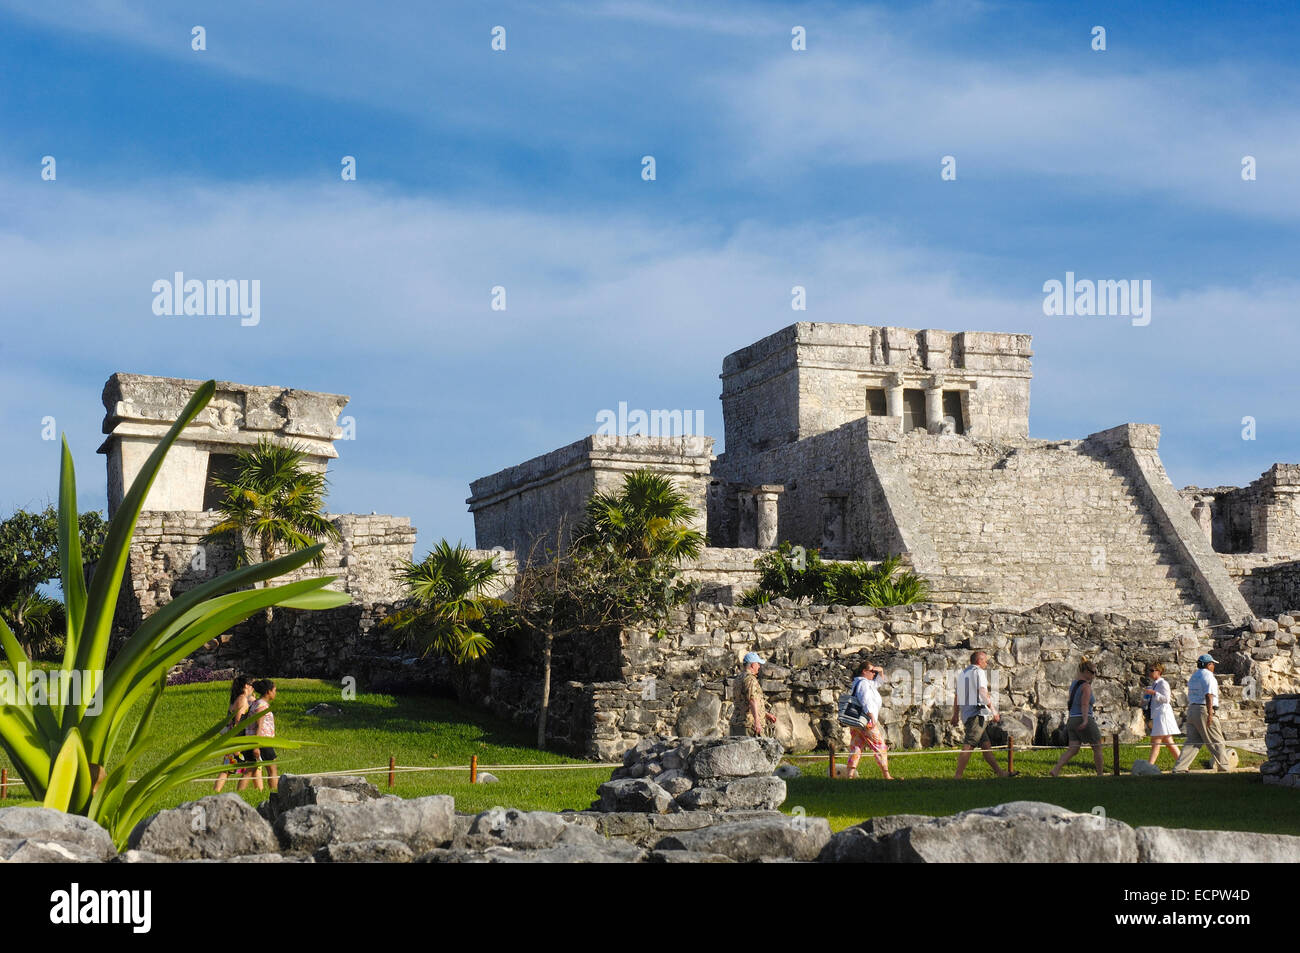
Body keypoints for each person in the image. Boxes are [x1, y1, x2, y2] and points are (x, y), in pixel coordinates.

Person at [952, 650, 1014, 779]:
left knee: (986, 746)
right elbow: (982, 691)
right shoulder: (978, 672)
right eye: (985, 660)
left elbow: (957, 697)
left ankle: (1000, 773)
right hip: (977, 714)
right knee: (969, 744)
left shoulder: (963, 674)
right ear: (979, 661)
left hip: (967, 714)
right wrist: (994, 710)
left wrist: (955, 715)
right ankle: (957, 776)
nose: (986, 663)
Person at [1173, 654, 1232, 773]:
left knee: (1193, 742)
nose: (1214, 666)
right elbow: (1208, 695)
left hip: (1192, 710)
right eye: (1212, 664)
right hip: (1204, 709)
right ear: (1208, 665)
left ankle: (1179, 768)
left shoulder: (1194, 676)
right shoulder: (1208, 676)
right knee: (1216, 741)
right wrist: (1210, 714)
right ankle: (1224, 768)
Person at [1050, 659, 1105, 777]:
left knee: (1073, 749)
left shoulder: (1073, 684)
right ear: (1085, 671)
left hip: (1072, 719)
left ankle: (1056, 769)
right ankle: (1100, 774)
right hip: (1083, 717)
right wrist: (1085, 720)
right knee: (1097, 747)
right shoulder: (1086, 687)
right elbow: (1084, 704)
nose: (1094, 675)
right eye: (1092, 672)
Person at [845, 661, 896, 780]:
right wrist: (871, 716)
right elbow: (865, 700)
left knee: (856, 747)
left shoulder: (862, 682)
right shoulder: (863, 684)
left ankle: (849, 776)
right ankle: (886, 774)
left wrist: (881, 671)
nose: (874, 673)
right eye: (872, 671)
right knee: (880, 746)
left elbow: (878, 683)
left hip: (856, 721)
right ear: (864, 671)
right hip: (866, 720)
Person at [238, 679, 280, 792]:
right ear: (268, 692)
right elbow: (259, 726)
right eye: (274, 690)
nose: (275, 693)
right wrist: (256, 746)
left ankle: (239, 793)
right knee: (272, 770)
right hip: (262, 741)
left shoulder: (255, 703)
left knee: (250, 770)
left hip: (252, 740)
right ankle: (274, 793)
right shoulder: (262, 705)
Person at [214, 675, 253, 793]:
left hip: (234, 738)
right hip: (237, 738)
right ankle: (221, 791)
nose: (253, 688)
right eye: (252, 685)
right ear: (246, 686)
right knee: (230, 769)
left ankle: (217, 790)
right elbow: (238, 721)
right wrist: (238, 744)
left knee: (228, 769)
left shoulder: (239, 698)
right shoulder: (241, 699)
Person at [730, 652, 777, 738]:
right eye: (758, 664)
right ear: (752, 665)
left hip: (736, 723)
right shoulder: (750, 679)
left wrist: (765, 714)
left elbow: (743, 702)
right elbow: (752, 700)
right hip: (749, 725)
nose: (759, 666)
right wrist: (757, 721)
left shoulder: (738, 679)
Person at [1143, 662, 1181, 765]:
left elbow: (1166, 699)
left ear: (1158, 672)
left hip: (1162, 715)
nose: (1150, 673)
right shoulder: (1155, 684)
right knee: (1169, 742)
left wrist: (1154, 693)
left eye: (1152, 671)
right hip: (1158, 715)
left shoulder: (1163, 683)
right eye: (1149, 671)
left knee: (1156, 742)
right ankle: (1183, 765)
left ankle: (1149, 766)